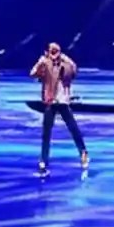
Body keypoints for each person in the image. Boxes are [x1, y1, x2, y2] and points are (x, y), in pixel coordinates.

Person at [30, 42, 88, 176]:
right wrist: (40, 62)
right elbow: (32, 73)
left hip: (63, 101)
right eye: (52, 50)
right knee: (46, 134)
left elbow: (74, 70)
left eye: (56, 51)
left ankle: (83, 153)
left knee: (73, 129)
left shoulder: (65, 64)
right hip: (50, 101)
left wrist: (65, 58)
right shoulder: (46, 64)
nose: (54, 53)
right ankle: (43, 161)